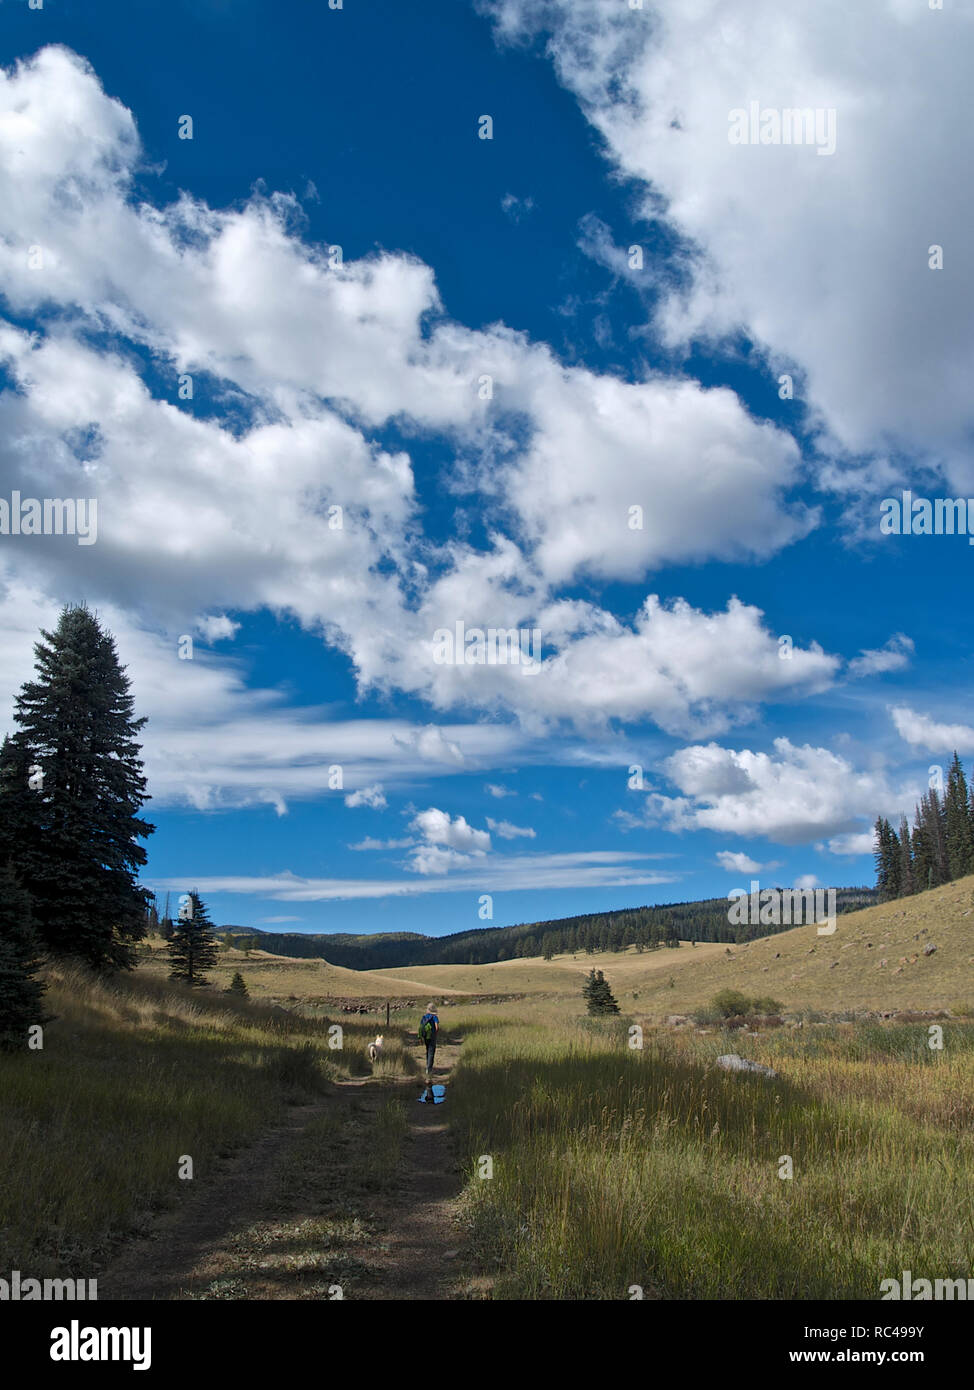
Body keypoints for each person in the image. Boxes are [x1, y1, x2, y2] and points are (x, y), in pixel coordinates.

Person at [418, 1001, 439, 1074]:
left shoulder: (424, 1017)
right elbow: (436, 1027)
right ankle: (429, 1069)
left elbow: (421, 1027)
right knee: (431, 1052)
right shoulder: (435, 1017)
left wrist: (421, 1037)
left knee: (427, 1051)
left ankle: (427, 1066)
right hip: (432, 1036)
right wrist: (435, 1034)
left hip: (425, 1036)